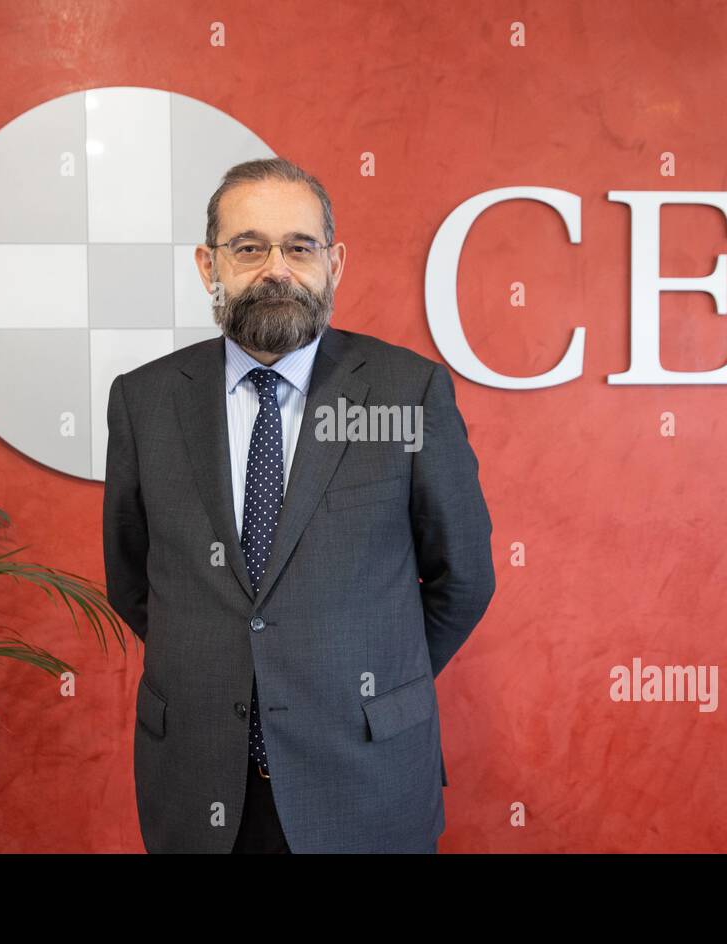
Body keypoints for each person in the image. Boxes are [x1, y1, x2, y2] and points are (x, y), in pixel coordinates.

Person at [102, 156, 495, 853]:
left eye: (299, 246)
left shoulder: (408, 392)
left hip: (364, 775)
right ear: (208, 265)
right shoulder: (145, 401)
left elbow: (463, 578)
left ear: (334, 264)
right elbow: (135, 579)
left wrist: (364, 682)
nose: (275, 268)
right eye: (249, 247)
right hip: (200, 781)